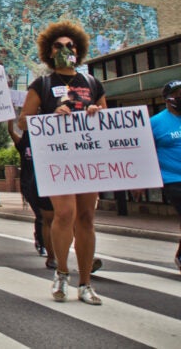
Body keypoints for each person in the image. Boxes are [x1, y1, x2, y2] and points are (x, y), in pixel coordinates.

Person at [16, 20, 107, 305]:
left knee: (87, 218)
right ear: (49, 50)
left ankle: (86, 283)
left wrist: (94, 111)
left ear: (78, 50)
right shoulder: (42, 84)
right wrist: (52, 116)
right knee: (64, 214)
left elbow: (107, 120)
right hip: (57, 159)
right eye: (59, 45)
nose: (65, 49)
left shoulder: (91, 83)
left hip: (88, 158)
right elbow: (24, 121)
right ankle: (62, 273)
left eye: (70, 45)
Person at [8, 119, 55, 269]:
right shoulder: (24, 143)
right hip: (29, 184)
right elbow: (11, 132)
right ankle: (44, 245)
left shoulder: (47, 141)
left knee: (52, 217)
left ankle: (46, 244)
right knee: (42, 216)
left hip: (46, 182)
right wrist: (10, 119)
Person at [147, 80, 181, 271]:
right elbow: (144, 152)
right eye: (178, 94)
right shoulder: (155, 123)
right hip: (173, 179)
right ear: (168, 99)